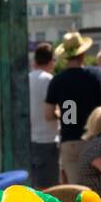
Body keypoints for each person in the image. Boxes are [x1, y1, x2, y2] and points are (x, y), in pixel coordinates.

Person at [45, 32, 101, 184]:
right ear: (83, 53)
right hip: (97, 140)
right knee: (100, 193)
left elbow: (48, 114)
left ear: (65, 56)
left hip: (71, 141)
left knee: (78, 195)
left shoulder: (58, 81)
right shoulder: (98, 75)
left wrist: (67, 114)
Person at [27, 42, 58, 189]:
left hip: (29, 140)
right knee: (49, 189)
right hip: (48, 138)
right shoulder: (51, 80)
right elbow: (56, 112)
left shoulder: (25, 79)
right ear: (51, 60)